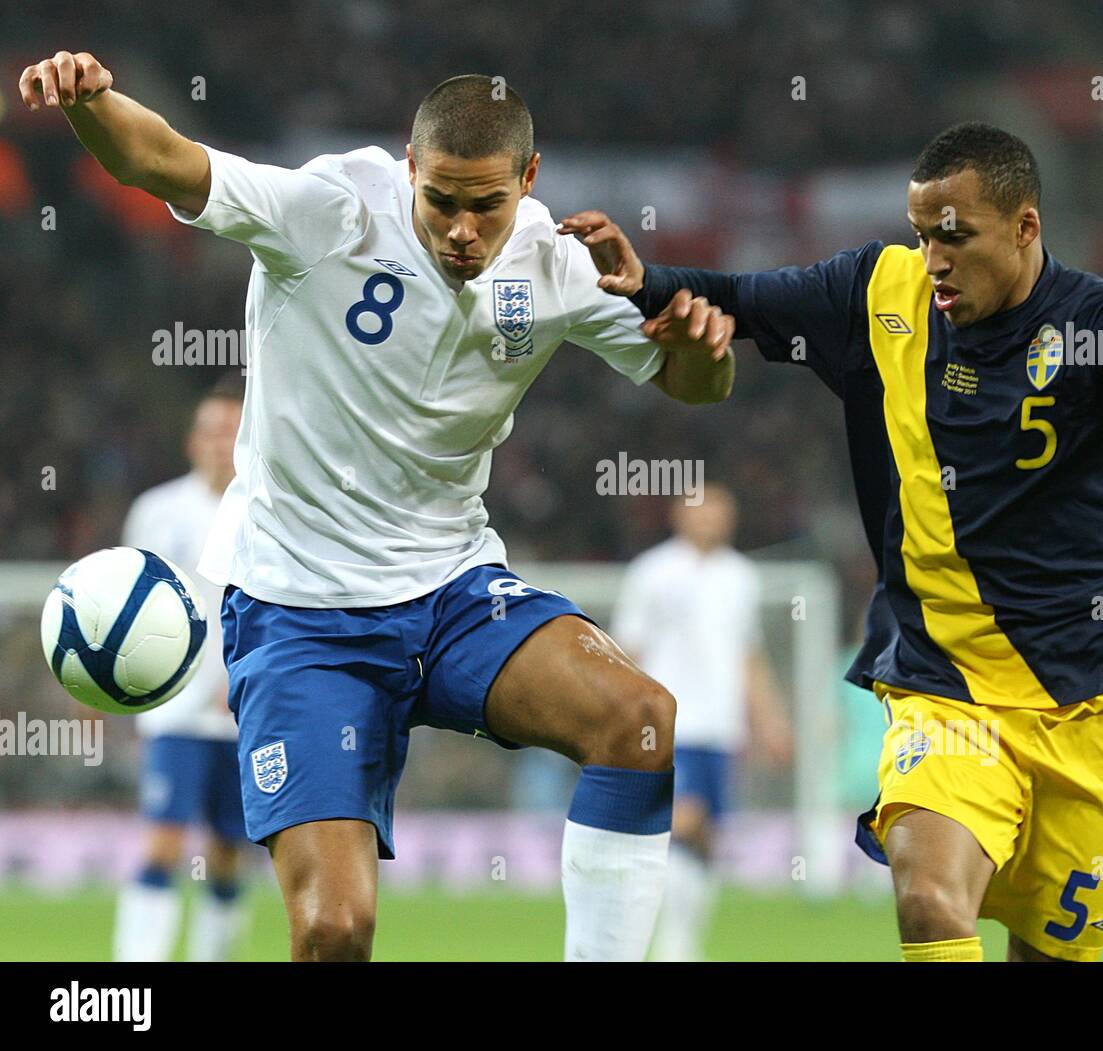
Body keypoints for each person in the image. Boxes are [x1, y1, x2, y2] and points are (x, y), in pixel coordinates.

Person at [22, 52, 737, 962]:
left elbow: (689, 382)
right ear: (408, 165)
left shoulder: (557, 264)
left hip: (451, 590)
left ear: (530, 179)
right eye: (441, 200)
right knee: (333, 930)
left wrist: (703, 350)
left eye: (487, 205)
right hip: (298, 610)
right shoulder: (330, 210)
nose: (464, 230)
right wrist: (91, 103)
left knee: (638, 716)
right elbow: (159, 159)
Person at [559, 121, 1103, 961]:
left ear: (1025, 228)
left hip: (1094, 699)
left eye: (955, 236)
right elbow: (746, 300)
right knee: (930, 901)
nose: (934, 257)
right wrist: (649, 281)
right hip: (946, 686)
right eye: (922, 233)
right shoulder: (879, 294)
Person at [611, 482, 791, 961]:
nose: (713, 520)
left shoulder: (741, 576)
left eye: (721, 512)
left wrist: (768, 720)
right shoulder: (653, 572)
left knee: (709, 835)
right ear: (680, 515)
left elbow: (749, 657)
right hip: (672, 723)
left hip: (722, 727)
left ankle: (685, 942)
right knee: (683, 820)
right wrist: (627, 719)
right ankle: (673, 947)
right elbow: (629, 650)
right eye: (704, 511)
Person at [113, 381, 244, 961]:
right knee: (164, 842)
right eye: (212, 431)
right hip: (173, 709)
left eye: (234, 433)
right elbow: (122, 603)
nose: (222, 443)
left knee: (227, 853)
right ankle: (135, 973)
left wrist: (243, 678)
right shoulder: (156, 511)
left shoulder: (268, 515)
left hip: (243, 710)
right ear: (193, 441)